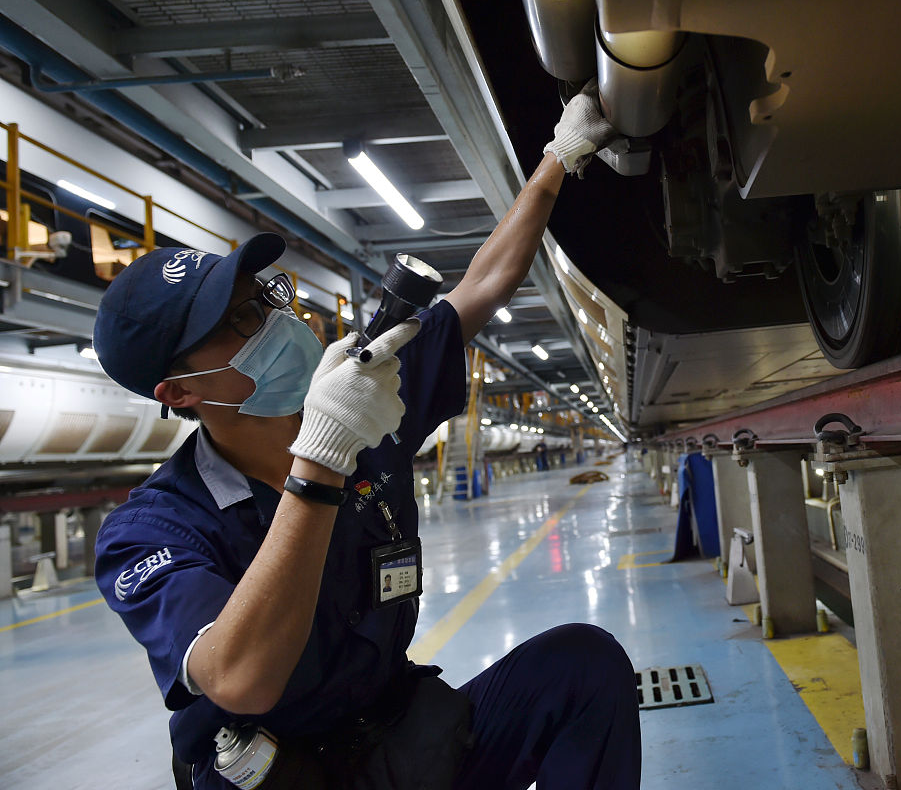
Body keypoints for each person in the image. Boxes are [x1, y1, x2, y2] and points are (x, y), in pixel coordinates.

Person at [92, 85, 640, 789]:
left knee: (583, 666)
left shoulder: (369, 404)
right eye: (238, 322)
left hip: (402, 738)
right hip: (288, 774)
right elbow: (240, 678)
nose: (275, 322)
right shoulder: (153, 529)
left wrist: (558, 158)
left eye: (265, 299)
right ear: (180, 392)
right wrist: (321, 453)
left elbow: (481, 287)